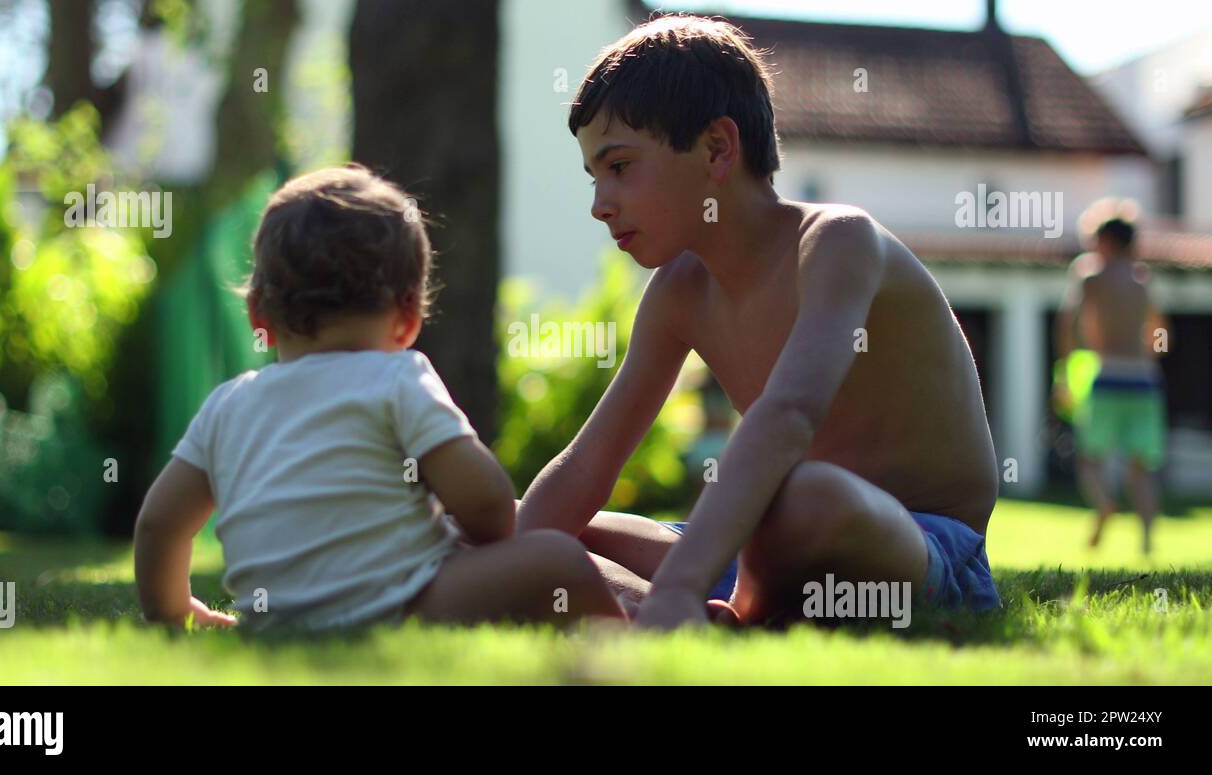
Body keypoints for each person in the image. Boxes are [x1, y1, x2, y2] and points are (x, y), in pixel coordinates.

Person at [515, 15, 1002, 628]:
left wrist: (685, 579)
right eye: (593, 177)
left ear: (718, 149)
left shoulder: (835, 244)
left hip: (915, 545)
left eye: (618, 167)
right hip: (753, 546)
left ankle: (710, 607)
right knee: (532, 520)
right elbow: (588, 466)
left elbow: (787, 417)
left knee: (805, 496)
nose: (599, 204)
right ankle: (653, 608)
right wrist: (508, 544)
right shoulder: (679, 291)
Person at [134, 165, 625, 631]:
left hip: (275, 620)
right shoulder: (395, 378)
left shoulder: (227, 405)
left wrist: (173, 612)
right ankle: (635, 635)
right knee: (557, 560)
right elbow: (487, 508)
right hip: (399, 605)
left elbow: (159, 525)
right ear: (408, 316)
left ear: (257, 315)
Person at [1055, 203, 1167, 554]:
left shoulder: (1090, 274)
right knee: (1142, 465)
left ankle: (1104, 503)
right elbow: (1162, 333)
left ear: (1103, 240)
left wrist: (1065, 373)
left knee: (1091, 458)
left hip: (1106, 376)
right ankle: (1147, 542)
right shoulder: (1142, 278)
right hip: (1145, 380)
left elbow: (1067, 323)